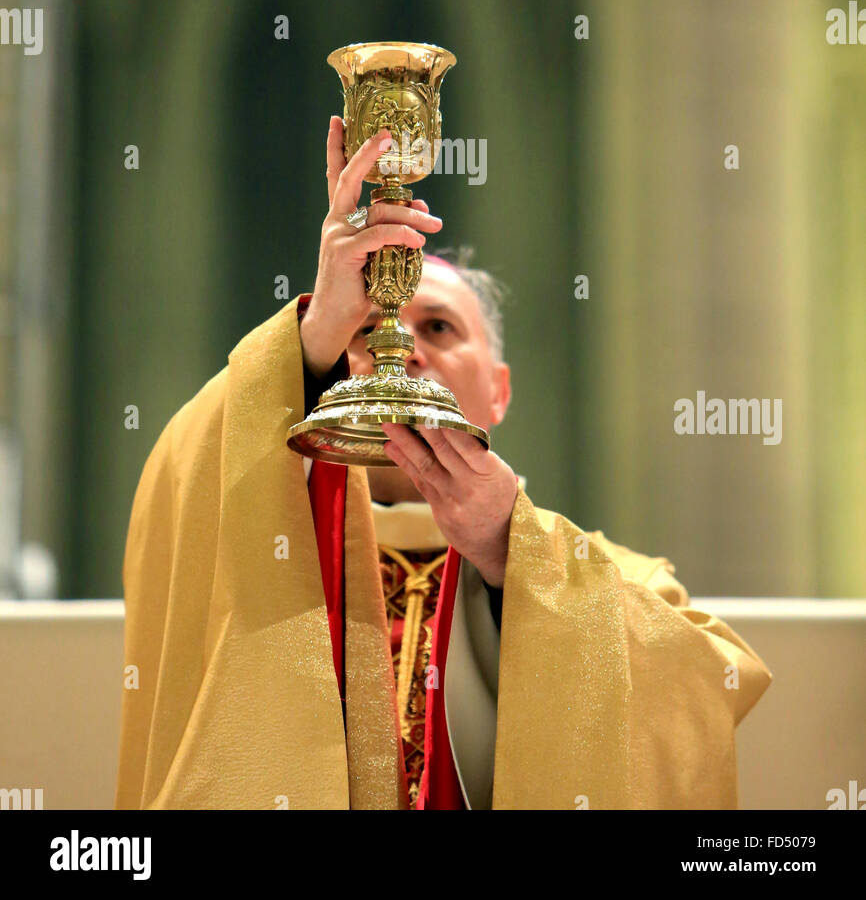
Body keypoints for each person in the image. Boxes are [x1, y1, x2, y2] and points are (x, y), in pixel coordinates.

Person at [114, 117, 772, 811]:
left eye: (438, 328)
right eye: (368, 330)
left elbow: (709, 682)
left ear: (500, 388)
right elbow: (177, 492)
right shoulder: (266, 562)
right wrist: (313, 334)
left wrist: (512, 558)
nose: (406, 351)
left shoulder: (611, 583)